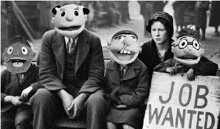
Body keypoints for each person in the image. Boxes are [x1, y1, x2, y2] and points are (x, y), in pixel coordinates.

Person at [30, 3, 108, 129]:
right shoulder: (49, 38)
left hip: (85, 91)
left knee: (97, 101)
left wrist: (81, 97)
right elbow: (46, 73)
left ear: (84, 18)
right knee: (41, 96)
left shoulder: (93, 40)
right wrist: (64, 95)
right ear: (54, 21)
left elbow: (96, 75)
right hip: (57, 91)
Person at [105, 30, 150, 129]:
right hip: (115, 106)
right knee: (110, 125)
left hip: (134, 107)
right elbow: (106, 89)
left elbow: (141, 93)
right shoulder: (109, 66)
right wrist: (114, 100)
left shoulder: (141, 68)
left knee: (127, 126)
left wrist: (122, 100)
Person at [1, 35, 41, 129]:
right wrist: (10, 98)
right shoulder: (6, 73)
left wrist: (33, 87)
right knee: (4, 124)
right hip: (8, 109)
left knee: (21, 122)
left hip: (27, 107)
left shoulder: (36, 70)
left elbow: (46, 81)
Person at [154, 28, 218, 80]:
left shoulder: (200, 60)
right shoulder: (173, 61)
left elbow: (214, 67)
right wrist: (167, 69)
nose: (189, 48)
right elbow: (157, 68)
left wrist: (194, 69)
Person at [138, 12, 174, 80]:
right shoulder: (144, 49)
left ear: (169, 31)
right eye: (154, 30)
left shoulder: (178, 48)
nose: (157, 34)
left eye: (161, 30)